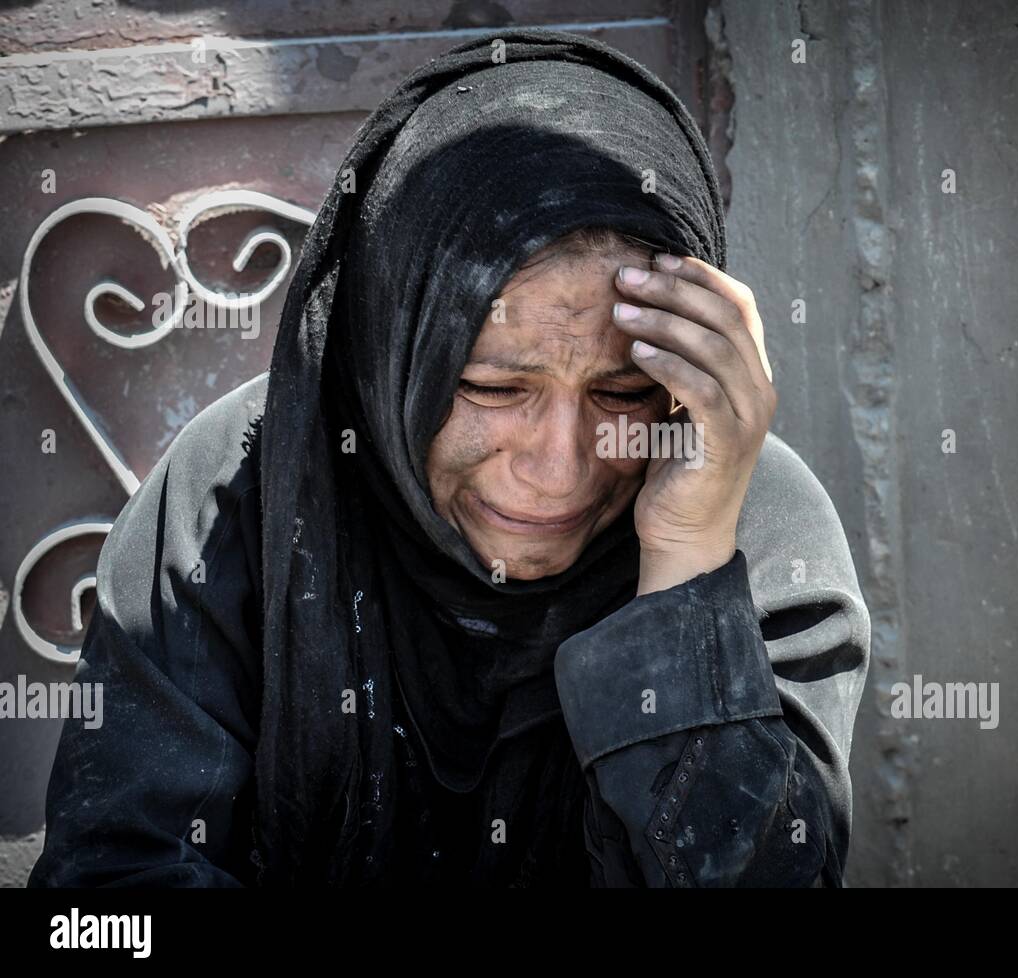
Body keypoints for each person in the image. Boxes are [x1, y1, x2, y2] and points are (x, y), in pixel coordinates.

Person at [28, 27, 869, 888]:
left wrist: (688, 580)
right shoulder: (232, 495)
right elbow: (105, 900)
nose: (559, 470)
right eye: (494, 389)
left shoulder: (748, 519)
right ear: (395, 348)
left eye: (620, 396)